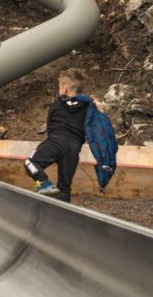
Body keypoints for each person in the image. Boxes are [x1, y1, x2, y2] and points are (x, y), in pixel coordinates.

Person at [24, 68, 116, 203]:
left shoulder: (57, 104)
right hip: (73, 149)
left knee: (30, 163)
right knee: (65, 187)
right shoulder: (88, 107)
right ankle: (64, 216)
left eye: (59, 87)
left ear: (64, 88)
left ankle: (44, 183)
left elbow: (50, 127)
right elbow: (98, 127)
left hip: (55, 141)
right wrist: (100, 111)